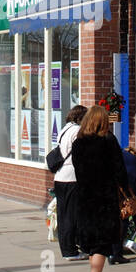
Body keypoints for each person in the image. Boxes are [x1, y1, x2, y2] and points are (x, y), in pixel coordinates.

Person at [69, 105, 136, 272]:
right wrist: (126, 190)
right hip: (104, 198)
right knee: (103, 242)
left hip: (84, 196)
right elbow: (119, 169)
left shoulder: (78, 144)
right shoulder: (107, 141)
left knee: (91, 240)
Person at [51, 105, 88, 261]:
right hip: (72, 177)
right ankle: (71, 251)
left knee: (64, 214)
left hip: (60, 177)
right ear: (80, 118)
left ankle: (67, 248)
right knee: (72, 215)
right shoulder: (77, 132)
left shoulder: (64, 129)